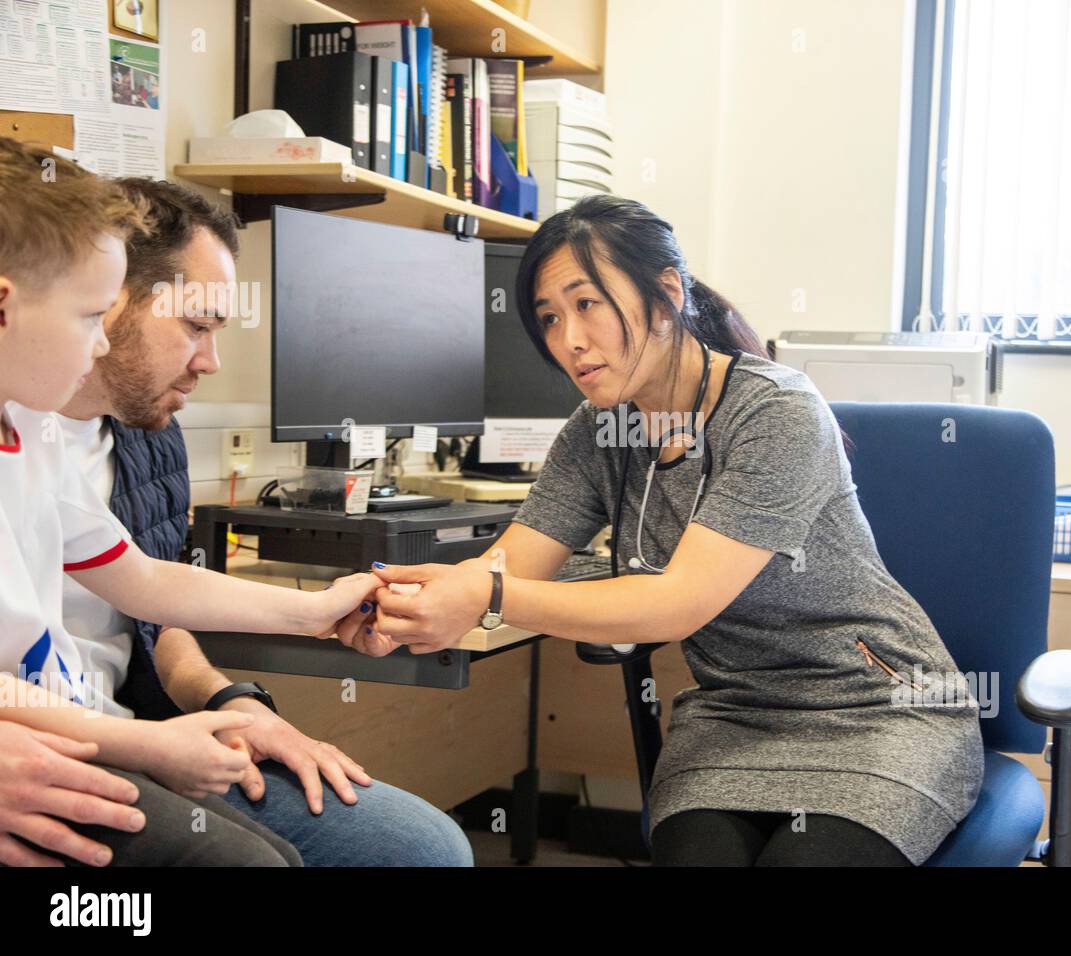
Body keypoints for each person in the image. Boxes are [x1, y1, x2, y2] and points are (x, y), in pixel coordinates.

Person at [339, 194, 986, 866]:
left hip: (879, 712)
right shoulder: (596, 434)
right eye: (549, 318)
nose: (568, 340)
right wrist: (402, 602)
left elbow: (680, 601)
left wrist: (487, 598)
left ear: (665, 296)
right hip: (736, 718)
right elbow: (509, 566)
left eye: (586, 304)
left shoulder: (776, 412)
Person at [54, 175, 472, 867]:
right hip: (62, 747)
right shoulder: (24, 441)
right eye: (196, 326)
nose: (211, 364)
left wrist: (236, 700)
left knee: (420, 850)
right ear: (112, 297)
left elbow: (149, 594)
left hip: (139, 732)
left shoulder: (148, 433)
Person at [0, 135, 371, 865]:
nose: (98, 345)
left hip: (90, 732)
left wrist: (314, 613)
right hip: (62, 743)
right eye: (88, 319)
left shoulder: (35, 437)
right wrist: (148, 742)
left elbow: (142, 580)